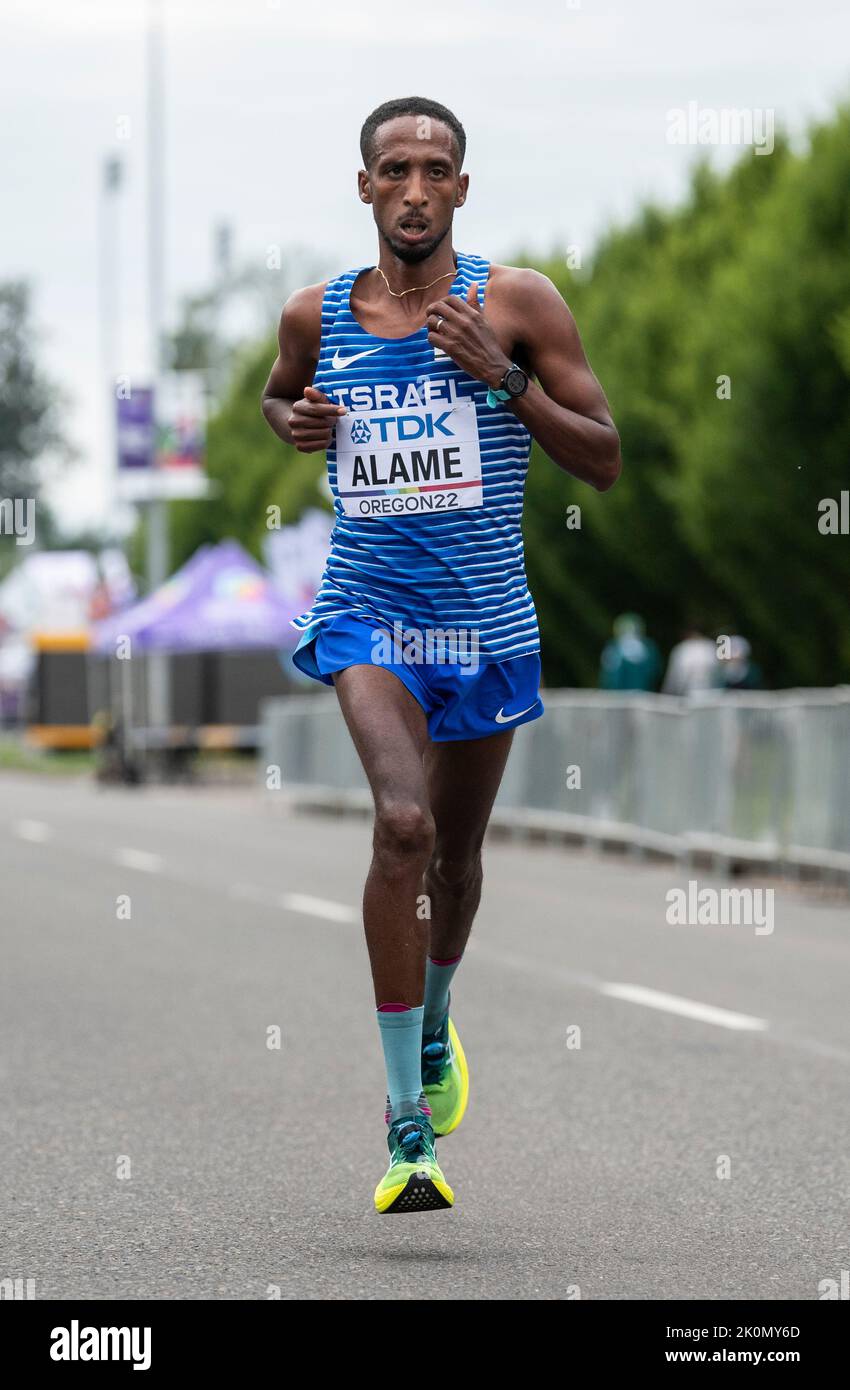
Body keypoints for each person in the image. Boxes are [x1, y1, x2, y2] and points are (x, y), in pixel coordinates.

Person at [261, 96, 621, 1215]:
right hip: (371, 615)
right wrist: (296, 422)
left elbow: (603, 459)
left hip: (486, 629)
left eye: (436, 169)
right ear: (363, 187)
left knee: (456, 867)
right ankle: (406, 1131)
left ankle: (436, 1024)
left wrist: (503, 378)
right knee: (402, 826)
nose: (414, 188)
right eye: (393, 169)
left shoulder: (515, 304)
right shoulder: (316, 314)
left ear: (461, 187)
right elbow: (278, 399)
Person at [599, 613, 660, 691]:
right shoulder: (649, 647)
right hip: (641, 695)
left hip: (618, 696)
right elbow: (654, 673)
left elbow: (608, 677)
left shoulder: (613, 648)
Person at [662, 624, 720, 696]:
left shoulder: (682, 648)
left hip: (687, 696)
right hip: (711, 695)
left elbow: (674, 677)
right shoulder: (712, 647)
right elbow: (719, 675)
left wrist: (667, 694)